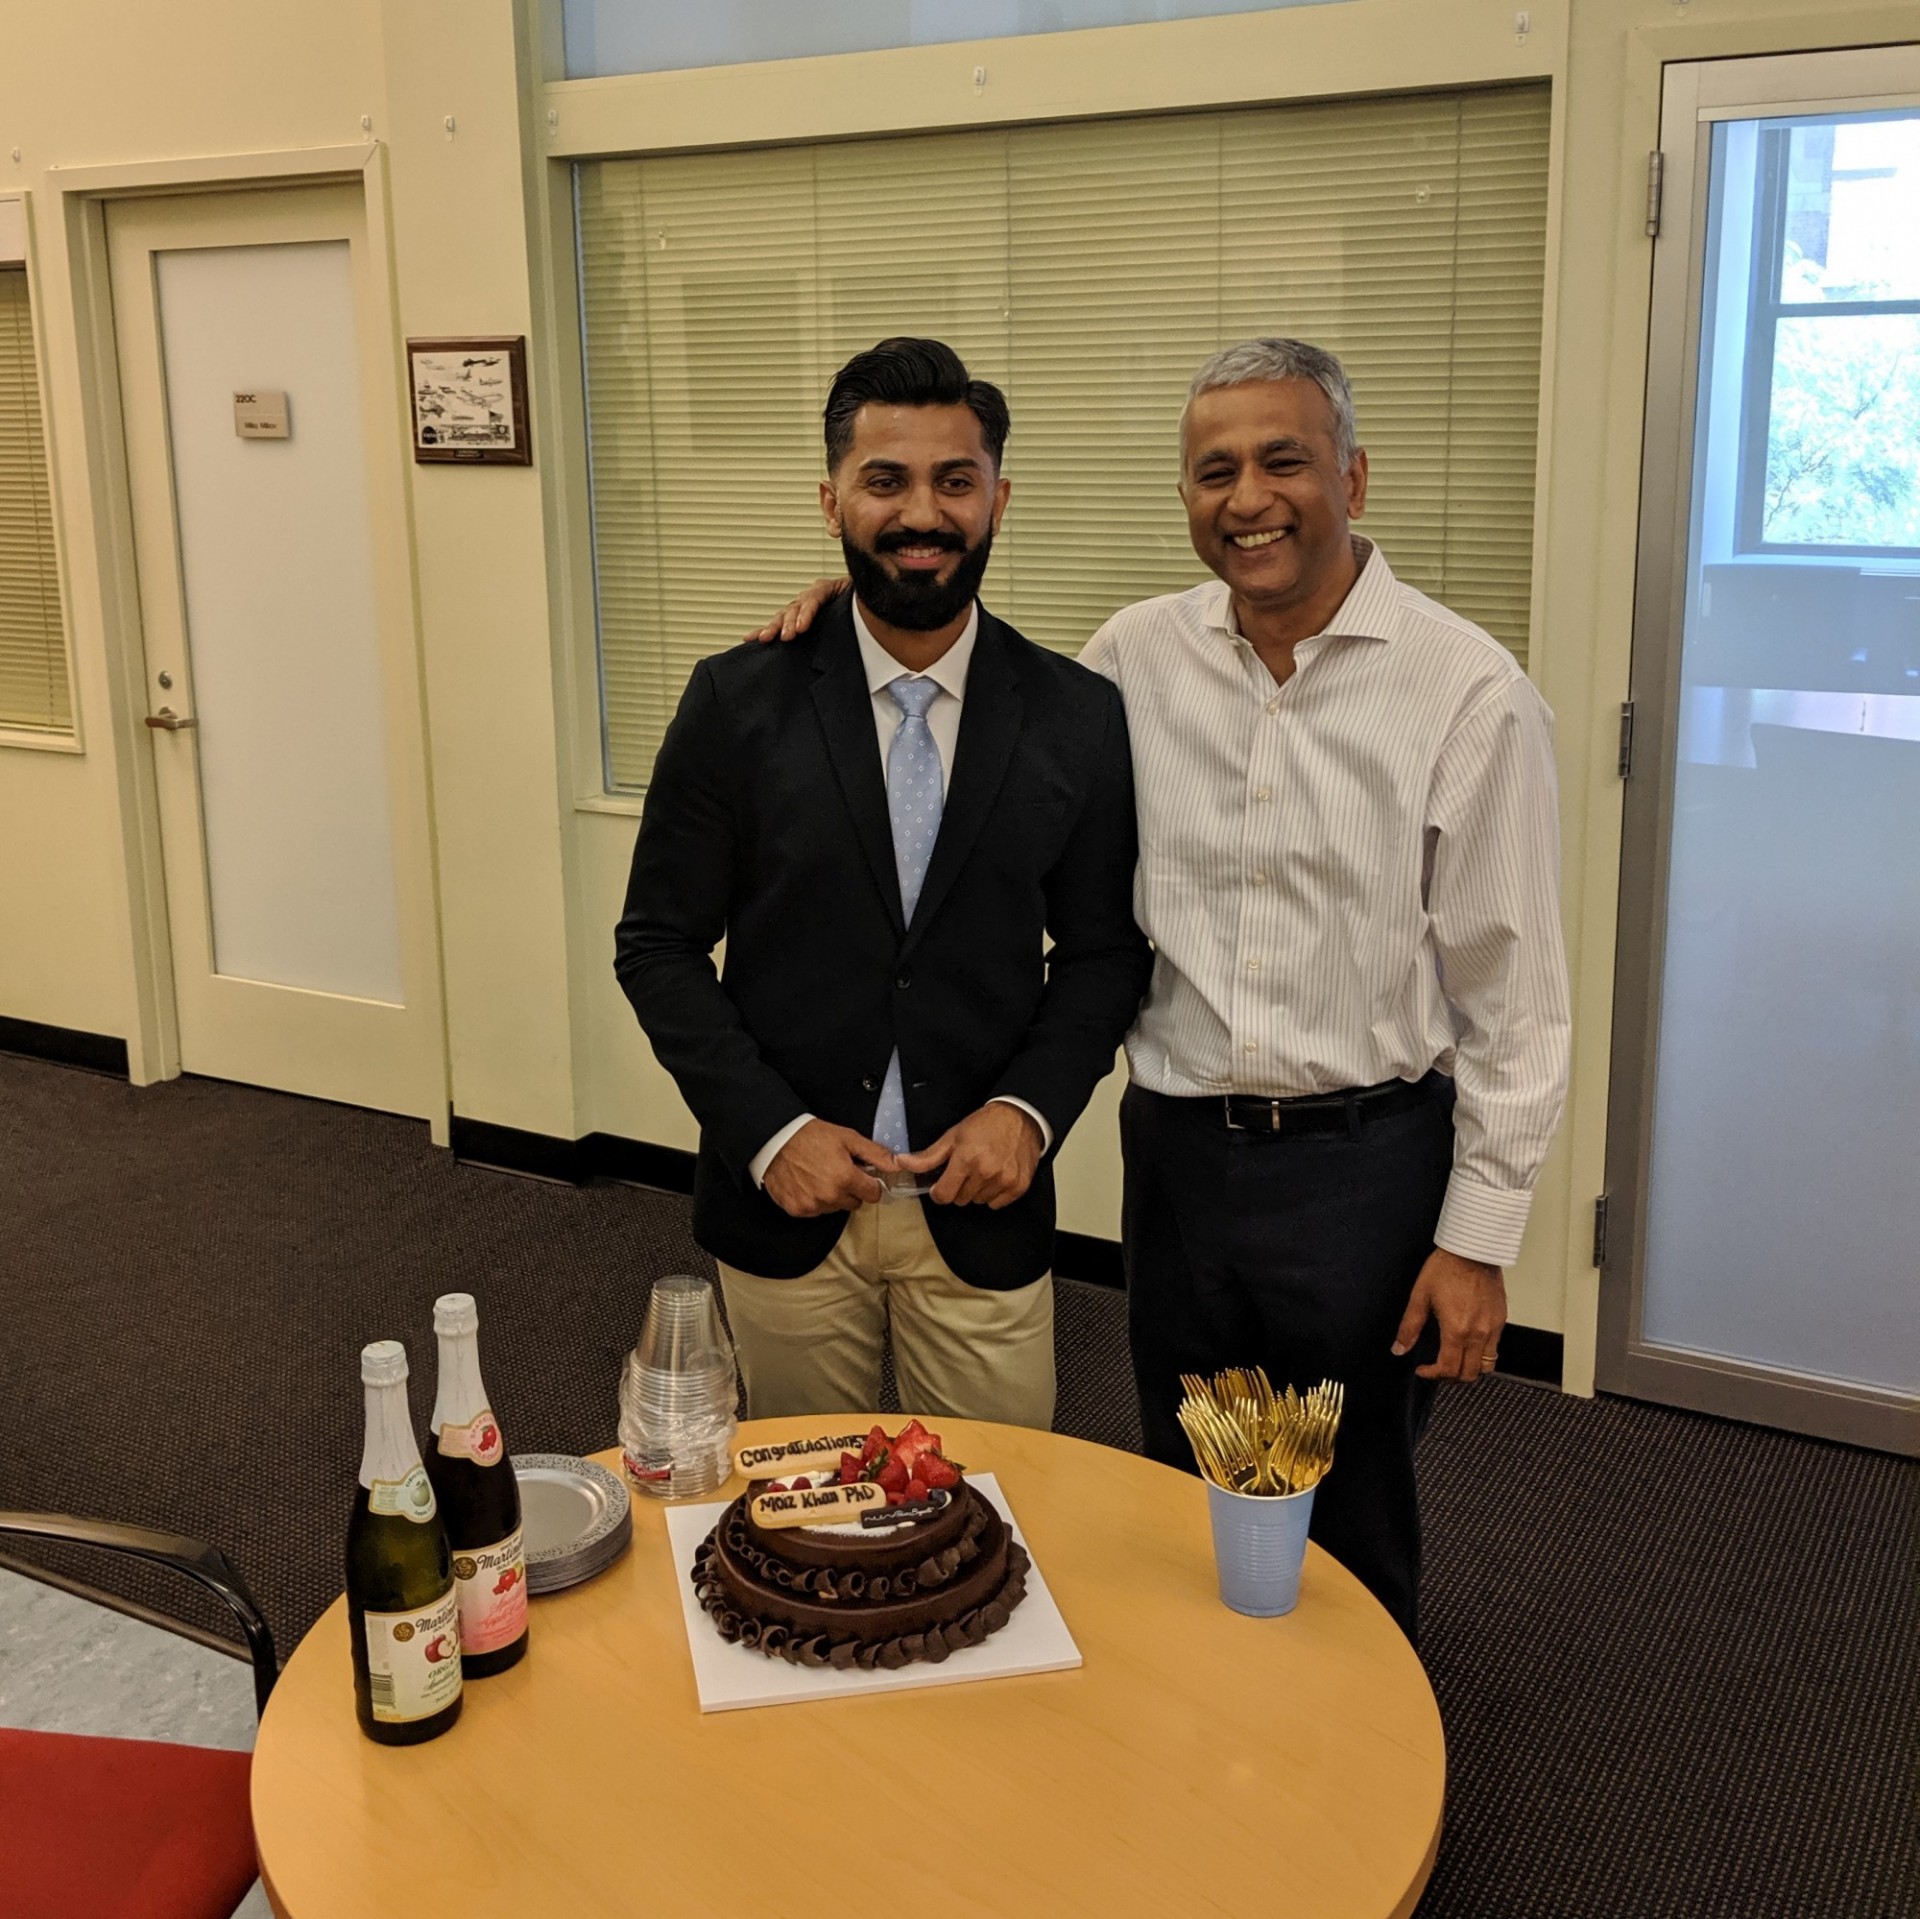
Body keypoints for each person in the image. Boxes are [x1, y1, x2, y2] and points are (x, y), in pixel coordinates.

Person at [748, 337, 1570, 1641]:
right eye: (1214, 470)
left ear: (1353, 474)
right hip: (1180, 1158)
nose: (1248, 495)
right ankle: (1203, 1773)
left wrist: (1477, 1237)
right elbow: (962, 706)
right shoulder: (1132, 659)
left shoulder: (1468, 694)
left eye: (1283, 459)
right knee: (1184, 1486)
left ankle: (1353, 1797)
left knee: (1348, 1507)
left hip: (1365, 1167)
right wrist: (836, 628)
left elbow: (1516, 996)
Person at [615, 337, 1151, 1433]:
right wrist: (770, 1132)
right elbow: (658, 945)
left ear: (998, 498)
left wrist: (1029, 1113)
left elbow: (1105, 954)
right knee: (799, 1516)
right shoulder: (737, 702)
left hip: (983, 1199)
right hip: (791, 1200)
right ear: (832, 500)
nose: (922, 512)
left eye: (955, 481)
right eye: (886, 479)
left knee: (1001, 1514)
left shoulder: (1076, 715)